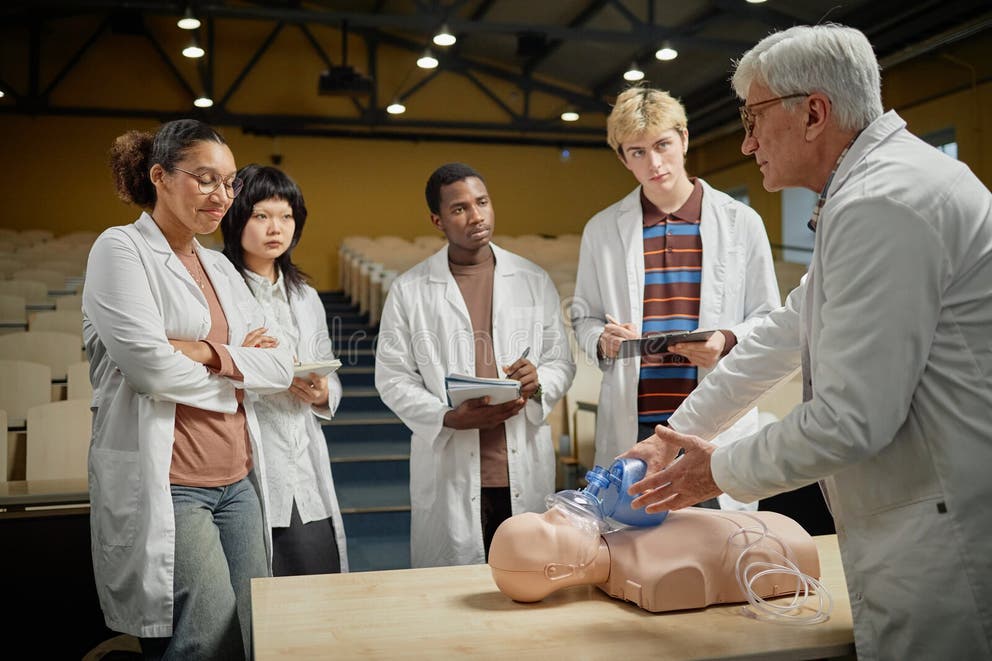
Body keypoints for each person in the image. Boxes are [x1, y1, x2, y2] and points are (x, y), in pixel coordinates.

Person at [622, 24, 992, 661]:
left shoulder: (886, 201)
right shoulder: (870, 191)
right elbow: (786, 330)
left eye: (755, 118)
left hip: (945, 527)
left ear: (814, 112)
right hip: (926, 504)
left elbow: (849, 421)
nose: (746, 141)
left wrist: (713, 471)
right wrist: (668, 438)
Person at [84, 119, 295, 660]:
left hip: (238, 480)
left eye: (229, 184)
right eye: (206, 179)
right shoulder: (121, 250)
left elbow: (279, 365)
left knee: (253, 630)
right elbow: (151, 369)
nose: (222, 196)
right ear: (160, 175)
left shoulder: (221, 267)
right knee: (208, 636)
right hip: (173, 484)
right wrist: (238, 375)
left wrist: (206, 353)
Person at [570, 86, 780, 511]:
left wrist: (725, 340)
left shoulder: (742, 222)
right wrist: (602, 339)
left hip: (712, 424)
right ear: (622, 158)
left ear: (683, 139)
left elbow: (769, 316)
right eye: (638, 152)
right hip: (639, 425)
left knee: (718, 553)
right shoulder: (602, 229)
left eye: (663, 145)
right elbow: (584, 316)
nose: (655, 163)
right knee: (638, 555)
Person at [375, 162, 576, 567]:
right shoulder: (410, 290)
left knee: (526, 580)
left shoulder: (532, 279)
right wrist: (447, 417)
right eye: (460, 208)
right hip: (452, 463)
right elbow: (393, 378)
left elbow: (560, 361)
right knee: (455, 598)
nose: (476, 216)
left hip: (520, 457)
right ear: (438, 219)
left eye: (482, 202)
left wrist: (538, 381)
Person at [220, 164, 349, 576]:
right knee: (258, 583)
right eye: (261, 215)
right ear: (235, 217)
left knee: (317, 574)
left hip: (303, 453)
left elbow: (327, 365)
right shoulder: (220, 288)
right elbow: (208, 365)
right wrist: (247, 361)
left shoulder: (306, 295)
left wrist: (323, 392)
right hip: (248, 453)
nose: (276, 228)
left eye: (286, 216)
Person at [488, 505, 821, 614]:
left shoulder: (626, 528)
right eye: (547, 527)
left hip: (776, 528)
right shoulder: (652, 578)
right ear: (556, 571)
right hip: (790, 550)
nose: (557, 511)